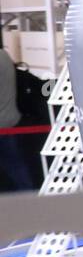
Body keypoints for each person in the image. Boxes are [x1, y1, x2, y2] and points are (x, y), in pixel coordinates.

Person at [0, 47, 38, 192]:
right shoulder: (4, 55)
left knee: (15, 167)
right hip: (10, 121)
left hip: (2, 125)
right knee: (16, 167)